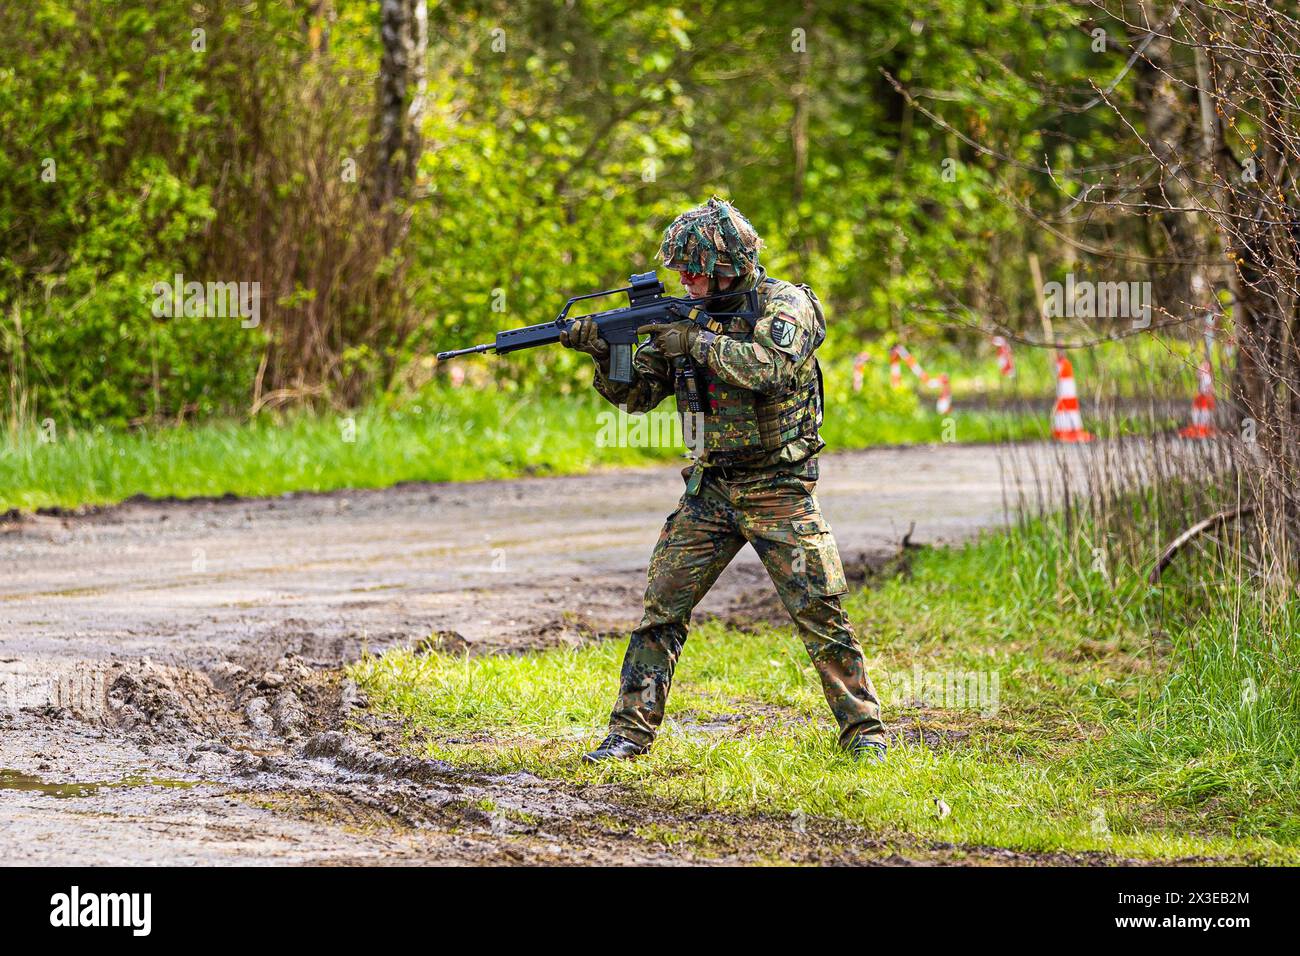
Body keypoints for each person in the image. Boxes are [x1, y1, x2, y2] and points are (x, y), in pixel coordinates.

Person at [561, 197, 888, 764]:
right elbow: (637, 395)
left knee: (818, 608)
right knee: (661, 611)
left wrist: (695, 342)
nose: (685, 281)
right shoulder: (681, 315)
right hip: (711, 488)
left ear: (730, 264)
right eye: (681, 271)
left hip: (777, 485)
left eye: (696, 270)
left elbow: (768, 367)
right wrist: (604, 352)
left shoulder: (786, 304)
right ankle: (628, 735)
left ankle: (865, 732)